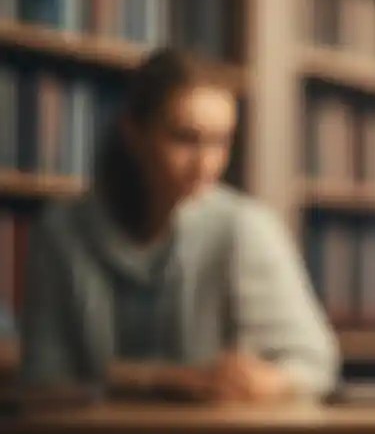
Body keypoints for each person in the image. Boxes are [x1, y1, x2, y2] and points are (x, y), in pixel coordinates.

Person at [21, 49, 339, 403]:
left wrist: (271, 380)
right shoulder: (62, 230)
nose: (206, 163)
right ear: (135, 133)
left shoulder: (244, 226)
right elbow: (42, 381)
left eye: (220, 141)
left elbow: (316, 362)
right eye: (185, 138)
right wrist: (165, 379)